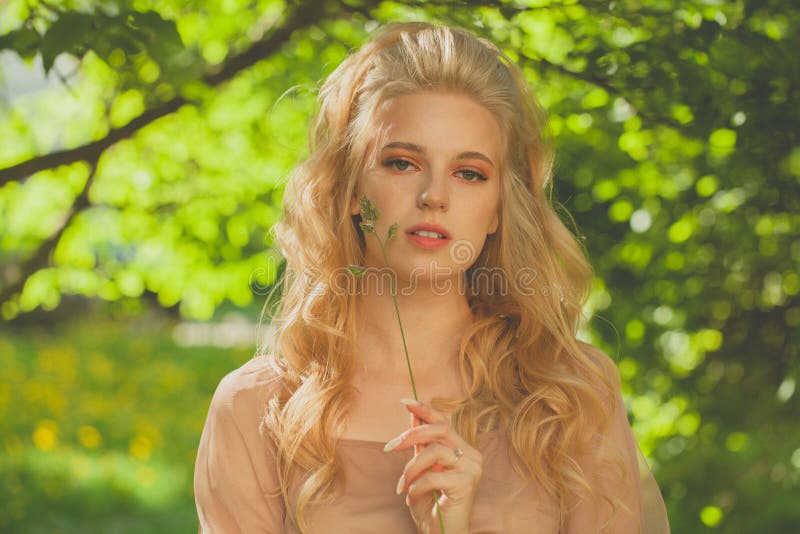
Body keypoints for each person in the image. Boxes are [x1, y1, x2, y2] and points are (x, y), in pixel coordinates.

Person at [194, 22, 671, 533]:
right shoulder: (256, 408)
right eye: (402, 163)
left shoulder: (569, 395)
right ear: (350, 190)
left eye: (469, 173)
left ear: (498, 210)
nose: (434, 196)